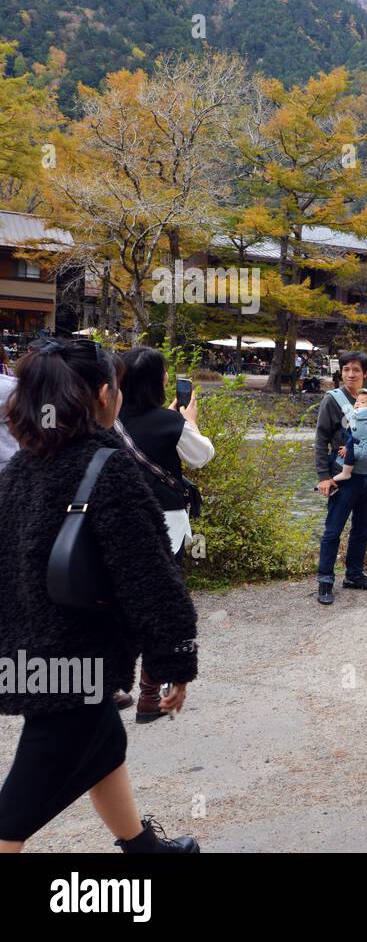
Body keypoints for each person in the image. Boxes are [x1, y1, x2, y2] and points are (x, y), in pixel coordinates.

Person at [0, 338, 199, 853]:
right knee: (18, 808)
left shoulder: (20, 468)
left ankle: (142, 849)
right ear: (106, 394)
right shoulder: (107, 467)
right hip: (73, 659)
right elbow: (149, 576)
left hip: (27, 653)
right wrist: (174, 658)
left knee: (104, 743)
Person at [116, 347, 215, 721]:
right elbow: (202, 455)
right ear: (159, 382)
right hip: (167, 526)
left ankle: (109, 686)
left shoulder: (107, 420)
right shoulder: (170, 422)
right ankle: (149, 695)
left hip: (116, 525)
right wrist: (188, 422)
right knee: (161, 606)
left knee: (118, 603)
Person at [314, 351, 367, 606]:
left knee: (363, 529)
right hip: (344, 477)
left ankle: (354, 575)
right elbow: (321, 439)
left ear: (365, 373)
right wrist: (324, 476)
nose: (350, 374)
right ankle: (325, 580)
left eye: (356, 370)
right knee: (333, 530)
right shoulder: (332, 400)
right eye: (346, 369)